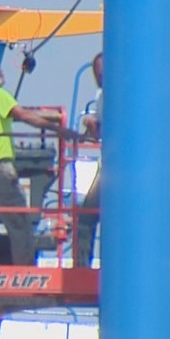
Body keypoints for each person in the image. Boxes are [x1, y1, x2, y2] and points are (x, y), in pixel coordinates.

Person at [0, 60, 81, 266]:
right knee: (19, 223)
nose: (0, 71)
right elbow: (25, 116)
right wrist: (60, 130)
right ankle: (25, 270)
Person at [74, 52, 103, 269]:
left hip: (123, 168)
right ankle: (82, 266)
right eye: (96, 74)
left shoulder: (126, 93)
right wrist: (91, 126)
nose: (98, 77)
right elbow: (97, 135)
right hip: (109, 166)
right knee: (86, 216)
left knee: (89, 216)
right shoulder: (102, 96)